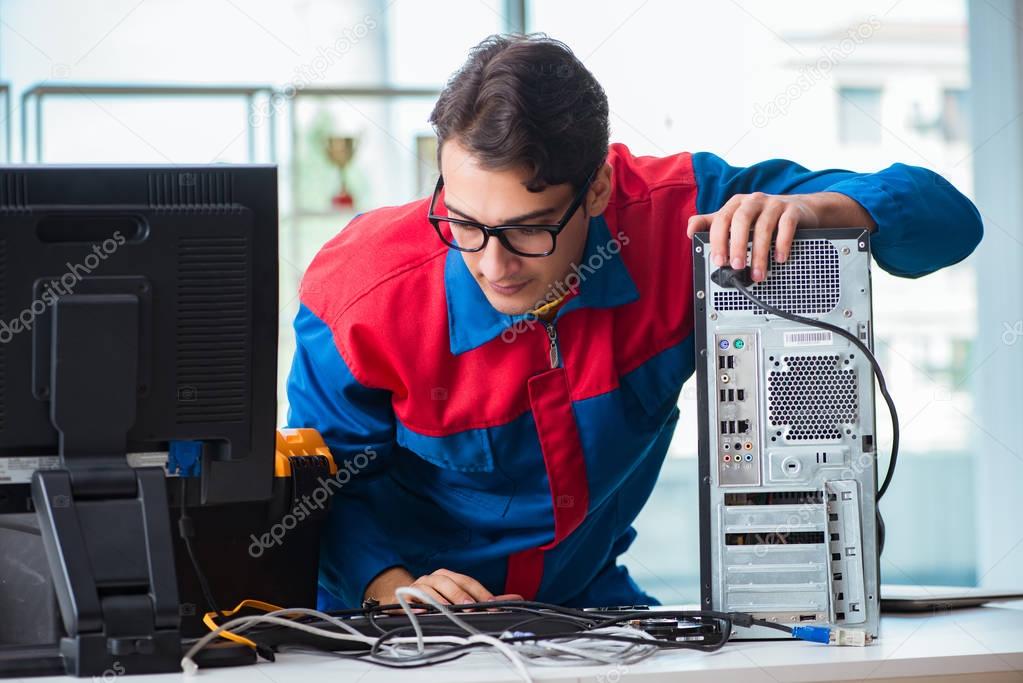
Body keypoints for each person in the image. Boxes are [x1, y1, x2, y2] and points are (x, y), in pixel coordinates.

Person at [287, 33, 983, 610]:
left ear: (597, 186)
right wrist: (393, 586)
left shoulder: (684, 217)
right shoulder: (357, 294)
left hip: (585, 610)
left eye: (528, 229)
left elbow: (952, 224)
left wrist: (819, 212)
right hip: (400, 625)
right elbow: (324, 492)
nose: (492, 262)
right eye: (463, 222)